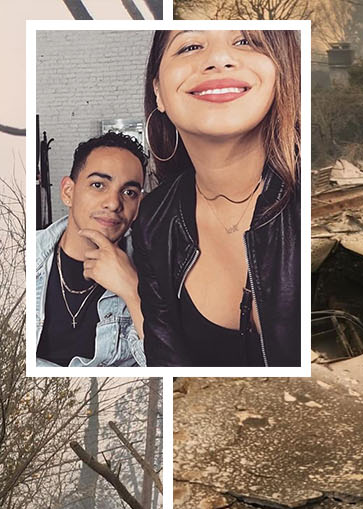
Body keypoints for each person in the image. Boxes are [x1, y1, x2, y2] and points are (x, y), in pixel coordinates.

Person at [132, 27, 301, 368]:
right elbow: (168, 364)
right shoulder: (153, 220)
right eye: (190, 45)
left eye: (247, 41)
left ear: (283, 71)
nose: (219, 59)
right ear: (159, 93)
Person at [32, 132, 147, 368]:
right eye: (98, 185)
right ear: (68, 192)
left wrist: (133, 294)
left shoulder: (152, 273)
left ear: (137, 207)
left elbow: (167, 368)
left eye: (129, 192)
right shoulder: (22, 256)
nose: (114, 203)